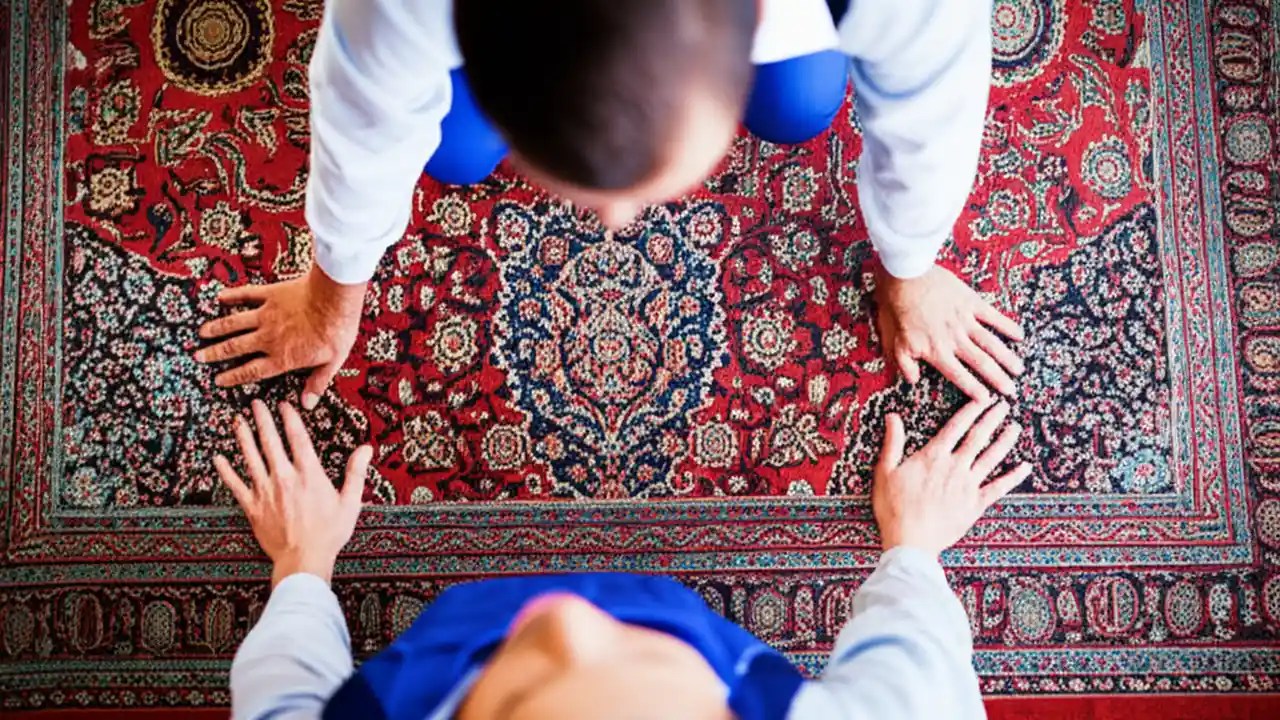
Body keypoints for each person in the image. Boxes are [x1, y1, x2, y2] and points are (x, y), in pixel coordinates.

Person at [194, 0, 1026, 410]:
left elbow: (932, 116)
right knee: (451, 151)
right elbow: (362, 131)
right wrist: (332, 290)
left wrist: (911, 267)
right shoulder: (395, 8)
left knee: (803, 103)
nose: (619, 224)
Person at [218, 397, 1029, 719]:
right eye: (636, 661)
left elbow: (279, 684)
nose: (570, 622)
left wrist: (301, 566)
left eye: (514, 702)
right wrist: (914, 549)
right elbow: (914, 655)